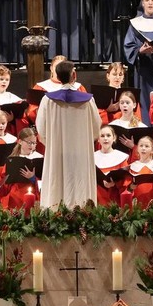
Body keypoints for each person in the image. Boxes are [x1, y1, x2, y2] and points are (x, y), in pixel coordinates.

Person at [35, 60, 101, 208]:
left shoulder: (47, 100)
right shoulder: (88, 100)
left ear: (57, 76)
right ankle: (83, 213)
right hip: (81, 151)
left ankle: (55, 213)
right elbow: (96, 127)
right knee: (80, 184)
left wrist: (51, 143)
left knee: (56, 183)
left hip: (57, 151)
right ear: (74, 75)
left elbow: (41, 128)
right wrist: (86, 140)